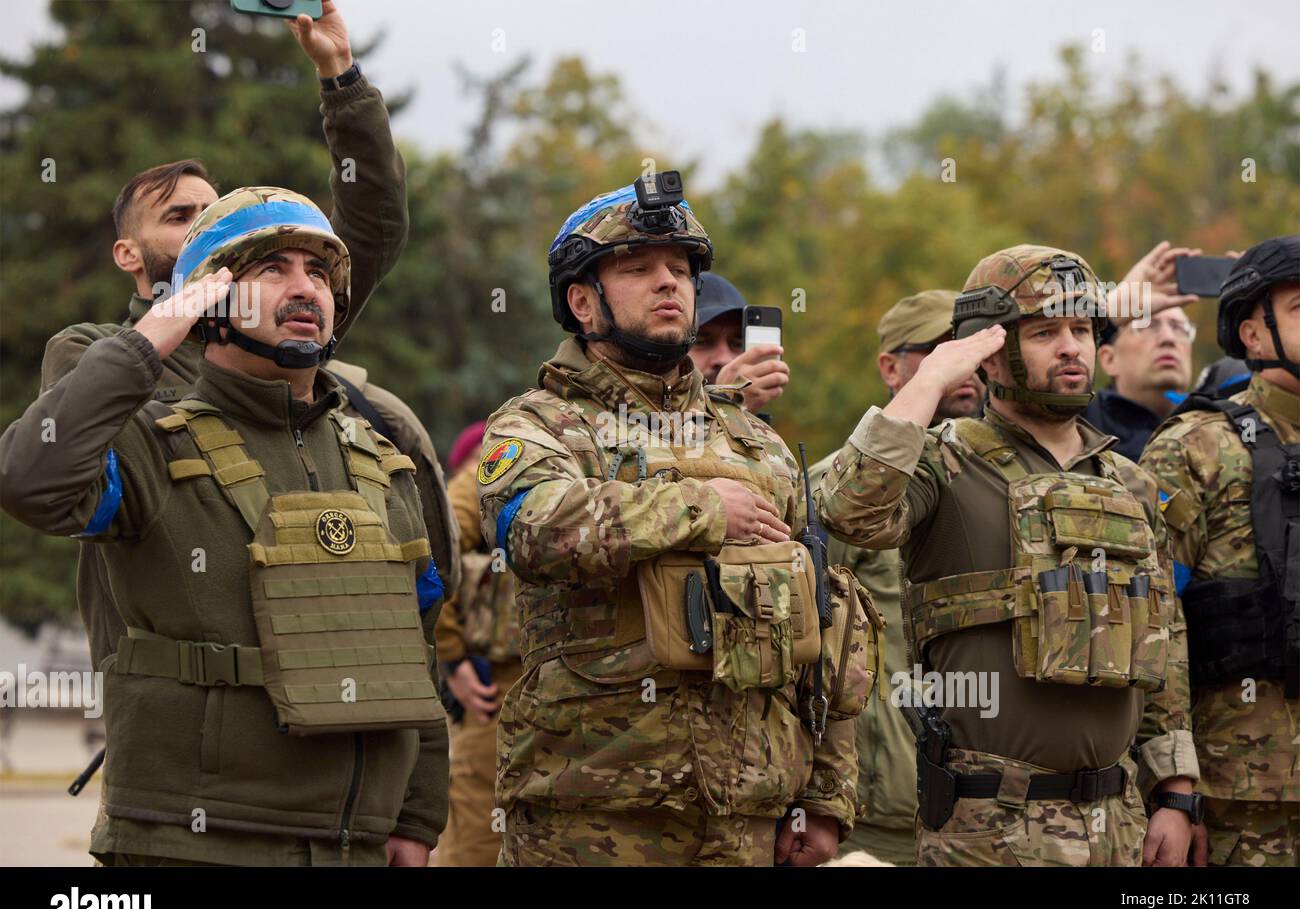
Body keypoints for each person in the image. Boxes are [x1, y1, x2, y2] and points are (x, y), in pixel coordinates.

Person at [0, 188, 449, 866]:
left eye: (318, 273)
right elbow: (29, 480)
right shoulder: (149, 443)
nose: (305, 289)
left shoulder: (379, 457)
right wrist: (151, 336)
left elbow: (416, 646)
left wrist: (415, 815)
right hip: (191, 844)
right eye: (273, 270)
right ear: (210, 299)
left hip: (354, 847)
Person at [477, 173, 866, 866]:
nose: (670, 283)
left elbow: (832, 628)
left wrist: (827, 800)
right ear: (582, 300)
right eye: (640, 269)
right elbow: (533, 527)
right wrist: (705, 508)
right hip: (591, 825)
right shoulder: (541, 424)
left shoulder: (756, 441)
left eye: (681, 269)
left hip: (747, 827)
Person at [818, 244, 1200, 866]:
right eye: (1046, 332)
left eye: (1081, 329)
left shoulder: (1127, 482)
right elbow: (847, 510)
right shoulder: (943, 460)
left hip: (1120, 824)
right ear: (990, 353)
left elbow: (1164, 642)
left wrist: (1175, 792)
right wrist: (933, 379)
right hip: (990, 828)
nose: (1071, 347)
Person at [1140, 234, 1300, 866]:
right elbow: (1150, 626)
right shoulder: (1196, 446)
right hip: (1240, 798)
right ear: (1253, 337)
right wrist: (1174, 791)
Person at [817, 288, 981, 866]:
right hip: (878, 819)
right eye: (939, 350)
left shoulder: (998, 486)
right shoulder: (837, 491)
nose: (960, 365)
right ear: (892, 366)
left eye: (970, 348)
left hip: (991, 814)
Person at [432, 421, 524, 867]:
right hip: (498, 688)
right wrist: (453, 656)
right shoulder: (496, 469)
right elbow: (437, 556)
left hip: (574, 687)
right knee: (477, 837)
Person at [1084, 241, 1201, 460]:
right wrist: (1108, 313)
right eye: (1149, 325)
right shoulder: (1074, 426)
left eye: (1178, 328)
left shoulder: (1216, 427)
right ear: (1109, 359)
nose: (1168, 338)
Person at [687, 272, 789, 413]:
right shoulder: (650, 423)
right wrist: (728, 404)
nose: (724, 359)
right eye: (702, 342)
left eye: (736, 344)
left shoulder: (765, 432)